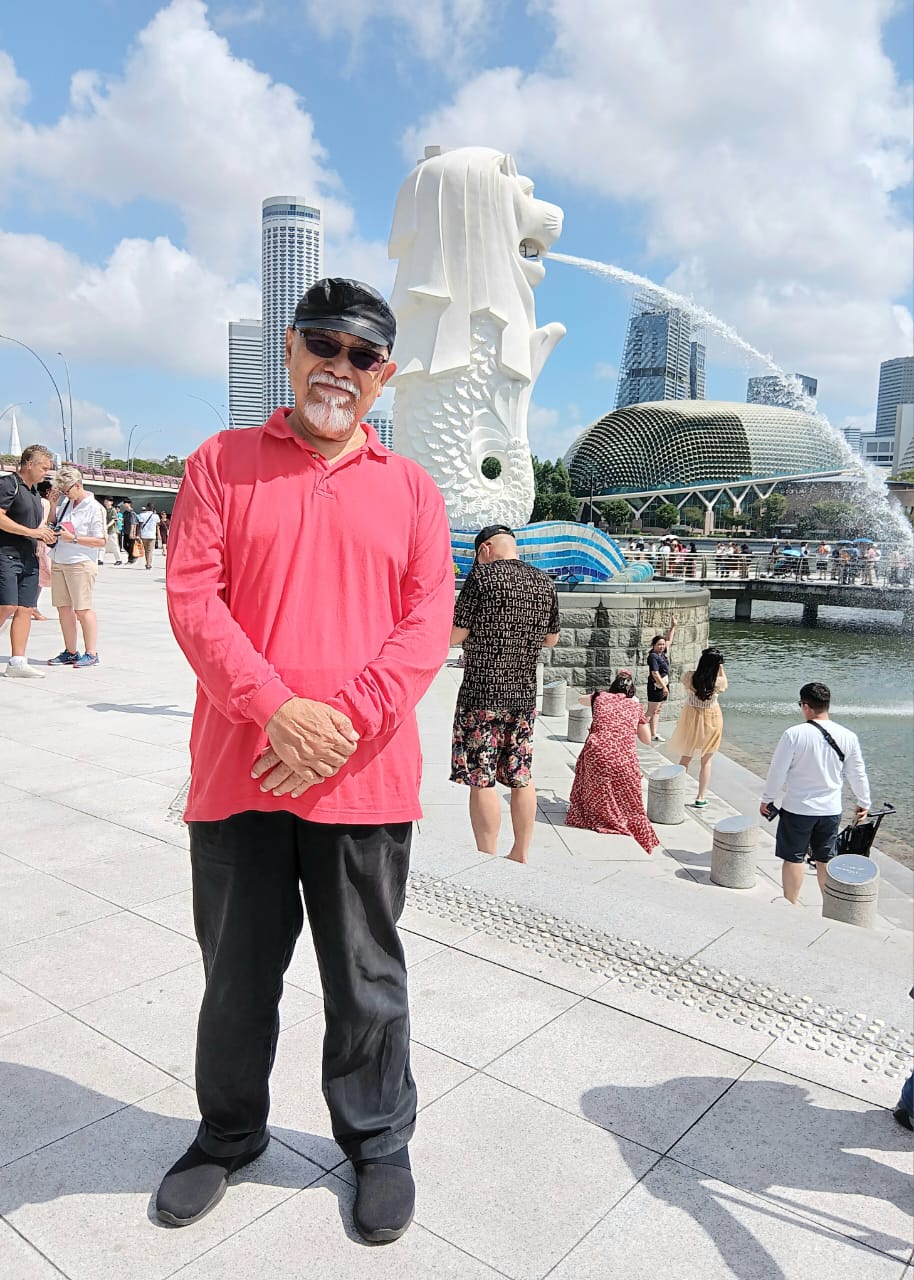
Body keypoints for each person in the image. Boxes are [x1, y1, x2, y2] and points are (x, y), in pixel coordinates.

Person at [159, 277, 453, 1243]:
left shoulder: (412, 489)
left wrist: (336, 723)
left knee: (367, 976)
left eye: (363, 355)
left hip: (364, 781)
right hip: (239, 772)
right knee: (235, 973)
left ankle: (376, 1143)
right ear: (290, 350)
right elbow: (195, 605)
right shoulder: (219, 464)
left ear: (385, 377)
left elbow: (424, 628)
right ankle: (229, 1133)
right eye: (324, 345)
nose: (341, 366)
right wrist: (275, 709)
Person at [449, 524, 560, 864]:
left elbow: (455, 634)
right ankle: (520, 852)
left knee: (481, 779)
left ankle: (488, 856)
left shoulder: (481, 579)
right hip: (524, 697)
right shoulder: (544, 582)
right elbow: (551, 639)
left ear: (484, 550)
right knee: (521, 775)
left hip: (481, 695)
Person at [760, 681, 870, 905]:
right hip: (830, 809)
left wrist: (767, 799)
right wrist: (863, 801)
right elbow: (857, 772)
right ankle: (831, 905)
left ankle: (790, 903)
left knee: (793, 858)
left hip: (797, 807)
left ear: (806, 706)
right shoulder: (848, 736)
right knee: (826, 859)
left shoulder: (794, 734)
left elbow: (777, 771)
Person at [565, 670, 657, 854]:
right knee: (627, 789)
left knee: (594, 780)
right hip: (623, 757)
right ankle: (621, 817)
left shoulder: (599, 697)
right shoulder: (635, 706)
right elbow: (647, 739)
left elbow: (580, 700)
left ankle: (597, 813)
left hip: (597, 752)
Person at [0, 444, 56, 678]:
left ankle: (17, 661)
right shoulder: (8, 484)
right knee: (7, 605)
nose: (46, 472)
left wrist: (47, 533)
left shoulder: (34, 492)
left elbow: (34, 527)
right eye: (44, 467)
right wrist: (32, 533)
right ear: (29, 464)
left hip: (29, 557)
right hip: (6, 554)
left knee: (25, 608)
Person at [47, 465, 106, 669]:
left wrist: (73, 538)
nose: (65, 494)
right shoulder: (66, 503)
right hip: (59, 559)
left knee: (83, 609)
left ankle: (91, 652)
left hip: (80, 562)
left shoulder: (95, 508)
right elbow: (52, 525)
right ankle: (70, 651)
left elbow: (101, 540)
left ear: (77, 485)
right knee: (63, 608)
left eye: (66, 490)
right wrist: (53, 506)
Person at [668, 647, 728, 807]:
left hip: (691, 718)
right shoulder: (718, 681)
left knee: (685, 757)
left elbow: (684, 680)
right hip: (712, 718)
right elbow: (725, 684)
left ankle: (676, 790)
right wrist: (720, 666)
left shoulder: (689, 677)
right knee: (706, 760)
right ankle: (700, 797)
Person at [644, 617, 677, 741]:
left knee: (657, 710)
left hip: (663, 685)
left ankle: (653, 734)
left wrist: (673, 626)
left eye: (662, 645)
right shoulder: (653, 656)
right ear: (654, 645)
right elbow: (655, 674)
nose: (662, 646)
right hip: (656, 686)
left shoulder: (662, 653)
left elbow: (669, 640)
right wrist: (664, 687)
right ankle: (635, 731)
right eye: (659, 644)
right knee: (651, 712)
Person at [31, 477, 56, 619]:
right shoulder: (45, 503)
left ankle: (32, 605)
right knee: (40, 574)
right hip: (42, 540)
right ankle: (33, 606)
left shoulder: (34, 500)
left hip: (33, 539)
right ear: (48, 491)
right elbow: (44, 522)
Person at [138, 502, 160, 570]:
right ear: (153, 508)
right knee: (150, 550)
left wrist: (138, 534)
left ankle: (147, 562)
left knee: (146, 550)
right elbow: (158, 522)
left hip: (144, 534)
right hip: (152, 535)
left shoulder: (142, 515)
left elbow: (140, 525)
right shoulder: (156, 516)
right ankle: (148, 564)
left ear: (147, 508)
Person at [101, 497, 123, 565]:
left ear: (111, 502)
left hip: (112, 531)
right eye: (105, 501)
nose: (106, 502)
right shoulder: (103, 510)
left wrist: (107, 526)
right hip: (104, 531)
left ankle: (119, 560)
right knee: (102, 545)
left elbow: (114, 520)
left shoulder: (113, 510)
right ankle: (100, 559)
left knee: (114, 545)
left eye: (107, 501)